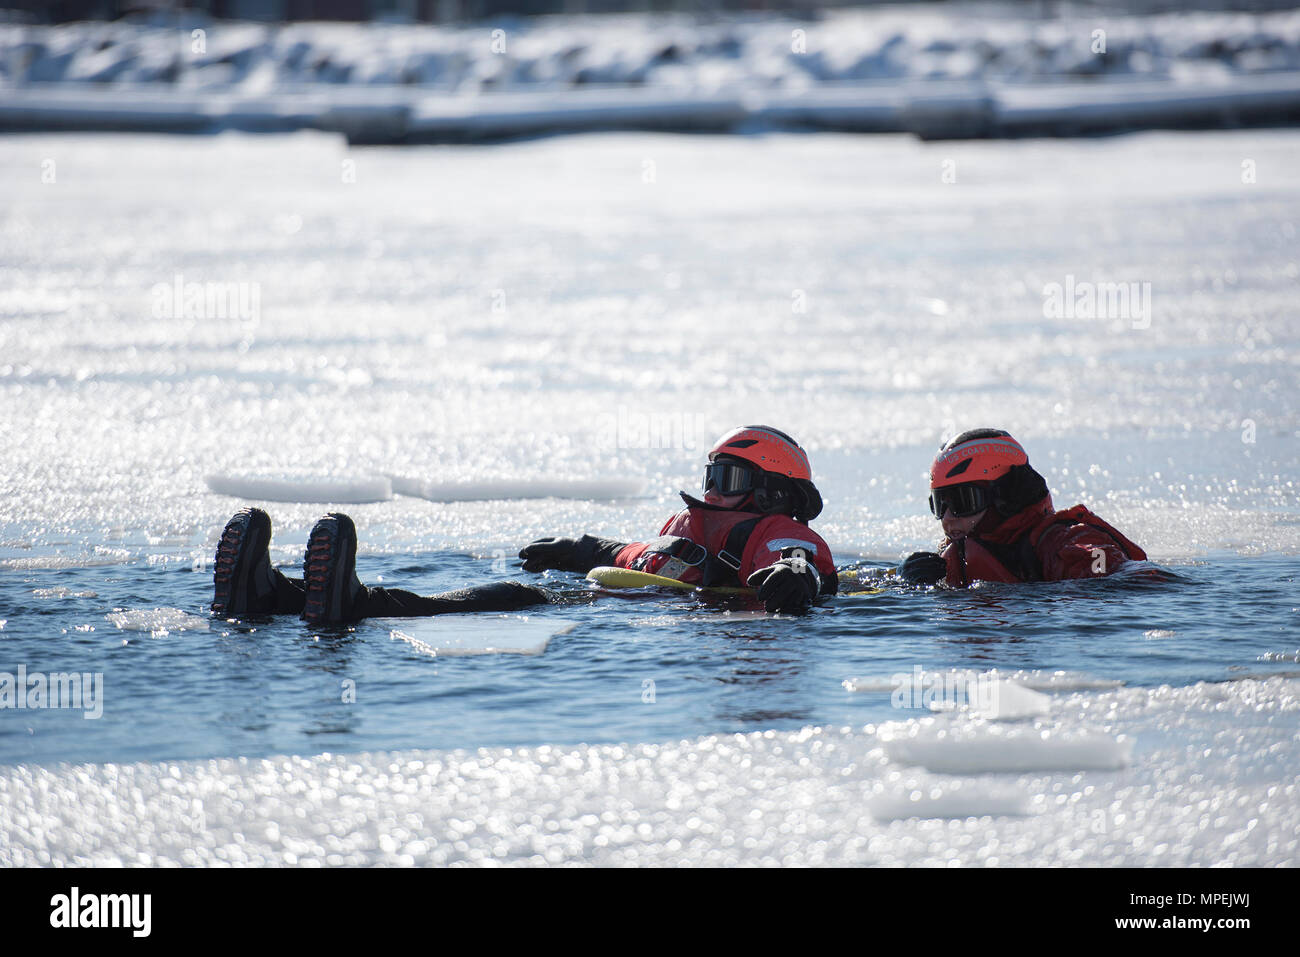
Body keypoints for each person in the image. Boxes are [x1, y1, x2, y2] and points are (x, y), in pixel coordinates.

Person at [518, 425, 837, 614]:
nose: (711, 492)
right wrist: (583, 549)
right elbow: (638, 557)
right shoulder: (689, 524)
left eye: (728, 479)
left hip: (734, 631)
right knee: (518, 597)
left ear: (773, 493)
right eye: (710, 478)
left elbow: (798, 557)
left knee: (516, 599)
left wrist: (794, 574)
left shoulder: (778, 532)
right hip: (645, 615)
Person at [211, 508, 550, 624]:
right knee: (537, 596)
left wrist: (584, 550)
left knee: (532, 595)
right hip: (588, 582)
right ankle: (291, 595)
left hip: (586, 589)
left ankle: (268, 593)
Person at [899, 428, 1147, 587]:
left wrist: (1094, 573)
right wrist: (905, 577)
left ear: (1005, 495)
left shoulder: (1066, 541)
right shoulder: (952, 555)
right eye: (939, 504)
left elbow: (1120, 580)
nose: (947, 518)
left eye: (963, 502)